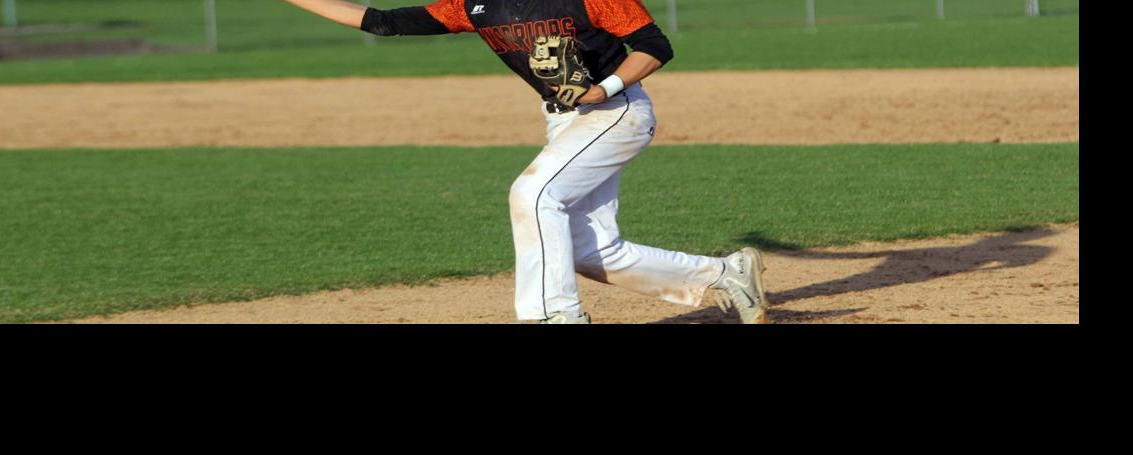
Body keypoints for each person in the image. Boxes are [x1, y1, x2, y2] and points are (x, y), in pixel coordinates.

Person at [282, 0, 770, 324]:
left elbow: (654, 45)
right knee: (589, 251)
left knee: (534, 194)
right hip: (566, 121)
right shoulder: (476, 5)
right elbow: (381, 21)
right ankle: (726, 274)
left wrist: (605, 87)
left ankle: (553, 315)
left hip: (616, 112)